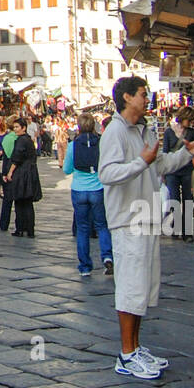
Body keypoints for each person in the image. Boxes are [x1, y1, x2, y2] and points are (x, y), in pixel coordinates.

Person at [98, 76, 194, 379]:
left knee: (142, 286)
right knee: (131, 286)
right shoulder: (114, 132)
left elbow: (160, 165)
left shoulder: (144, 129)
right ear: (127, 97)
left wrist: (187, 152)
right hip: (128, 219)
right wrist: (141, 162)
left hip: (145, 216)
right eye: (144, 95)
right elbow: (107, 174)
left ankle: (135, 347)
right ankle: (126, 353)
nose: (148, 99)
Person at [65, 111, 113, 278]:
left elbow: (66, 169)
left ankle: (85, 265)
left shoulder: (73, 145)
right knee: (102, 225)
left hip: (79, 190)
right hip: (97, 189)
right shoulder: (101, 143)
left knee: (83, 228)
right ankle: (107, 256)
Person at [163, 107, 194, 242]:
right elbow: (165, 152)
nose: (190, 122)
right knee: (175, 200)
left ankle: (187, 232)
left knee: (188, 200)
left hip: (187, 170)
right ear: (183, 118)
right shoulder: (169, 132)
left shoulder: (191, 133)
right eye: (189, 119)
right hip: (172, 171)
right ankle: (177, 226)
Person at [4, 116, 42, 237]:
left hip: (22, 174)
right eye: (14, 127)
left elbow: (17, 157)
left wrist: (10, 172)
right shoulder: (29, 140)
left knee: (20, 201)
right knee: (27, 203)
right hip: (30, 172)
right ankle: (29, 229)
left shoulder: (21, 140)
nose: (15, 129)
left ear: (23, 128)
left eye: (17, 127)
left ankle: (21, 228)